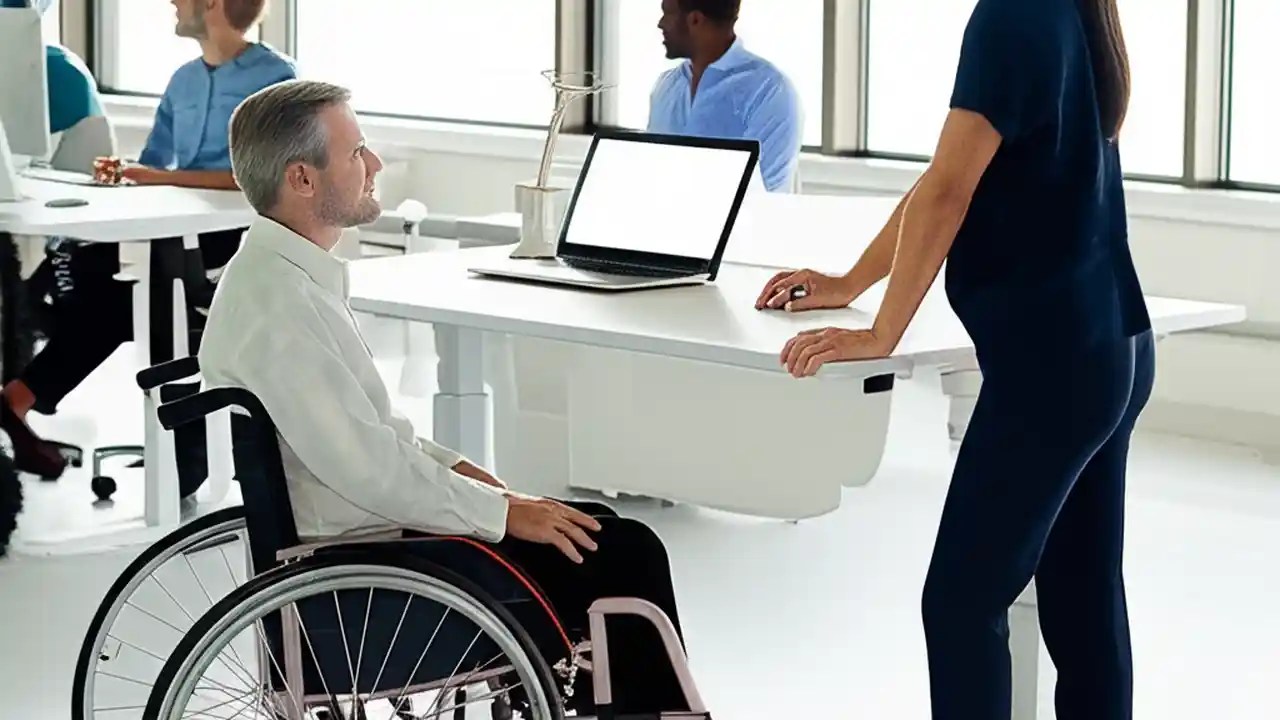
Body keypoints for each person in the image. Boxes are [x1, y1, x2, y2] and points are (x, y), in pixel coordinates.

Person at [199, 79, 690, 717]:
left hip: (369, 538)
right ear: (302, 179)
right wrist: (498, 513)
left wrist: (460, 473)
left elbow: (369, 435)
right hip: (367, 574)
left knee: (604, 528)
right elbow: (368, 469)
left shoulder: (284, 280)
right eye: (356, 154)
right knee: (623, 551)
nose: (374, 166)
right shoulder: (282, 308)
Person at [756, 1, 1153, 718]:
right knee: (1081, 603)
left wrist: (882, 333)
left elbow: (947, 194)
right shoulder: (1070, 9)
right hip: (1113, 345)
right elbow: (947, 176)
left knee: (961, 603)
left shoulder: (1011, 13)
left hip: (1054, 366)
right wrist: (854, 281)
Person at [0, 0, 295, 479]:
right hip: (172, 229)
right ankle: (182, 455)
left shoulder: (275, 79)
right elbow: (155, 163)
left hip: (233, 242)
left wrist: (162, 177)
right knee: (98, 276)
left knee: (132, 294)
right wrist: (125, 175)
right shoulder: (183, 80)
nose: (173, 3)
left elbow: (261, 178)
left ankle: (22, 395)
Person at [648, 0, 802, 192]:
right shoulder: (666, 87)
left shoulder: (768, 91)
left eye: (667, 13)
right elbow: (652, 177)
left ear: (695, 20)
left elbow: (766, 196)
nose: (660, 24)